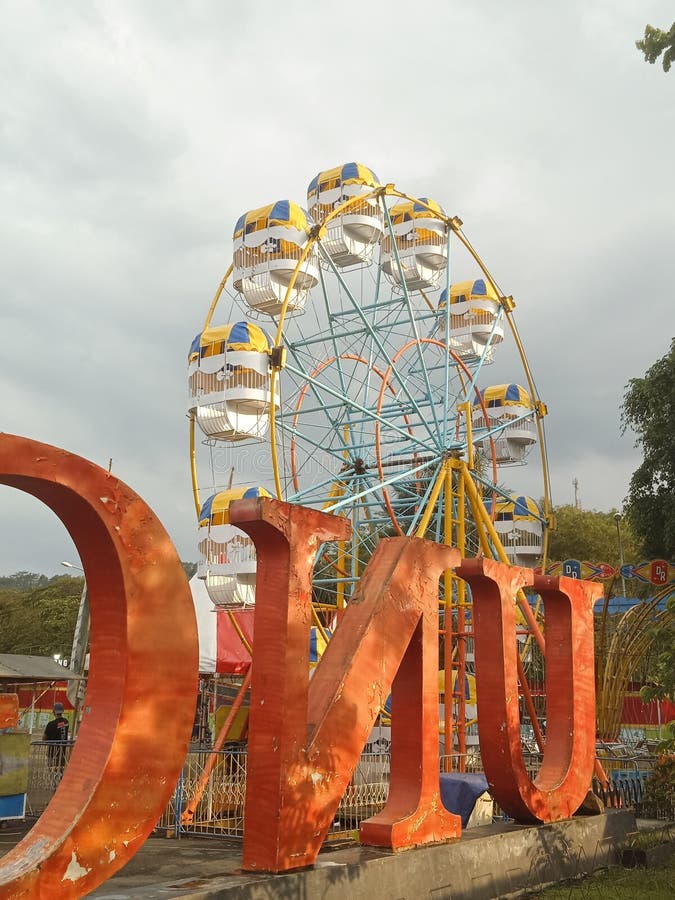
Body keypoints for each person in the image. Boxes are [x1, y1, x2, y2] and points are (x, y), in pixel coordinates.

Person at [43, 702, 69, 776]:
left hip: (52, 753)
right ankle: (59, 784)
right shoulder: (66, 722)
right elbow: (61, 726)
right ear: (62, 711)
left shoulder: (51, 724)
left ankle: (54, 786)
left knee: (52, 771)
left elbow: (44, 738)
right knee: (60, 771)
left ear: (54, 711)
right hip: (62, 753)